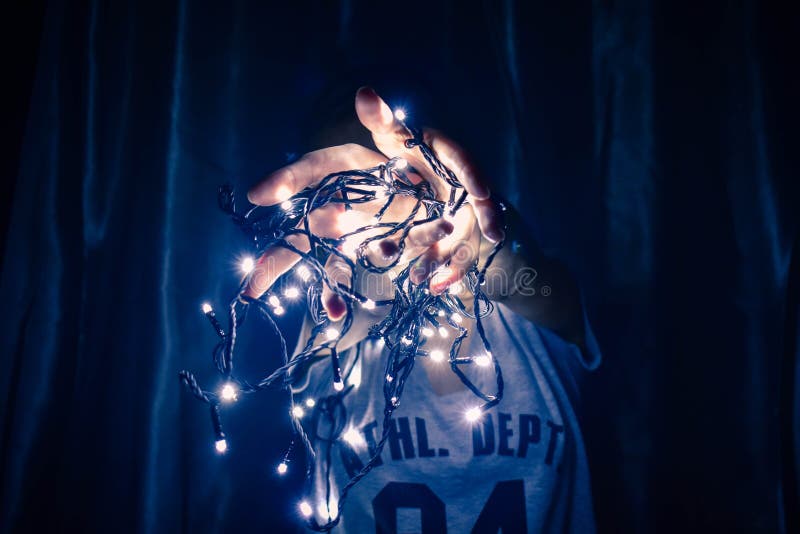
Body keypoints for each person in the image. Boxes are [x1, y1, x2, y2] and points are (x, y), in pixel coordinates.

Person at [244, 87, 601, 533]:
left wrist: (474, 238)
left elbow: (520, 276)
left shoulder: (536, 312)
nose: (370, 206)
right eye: (341, 190)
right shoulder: (332, 332)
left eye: (387, 175)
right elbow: (352, 303)